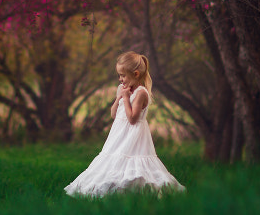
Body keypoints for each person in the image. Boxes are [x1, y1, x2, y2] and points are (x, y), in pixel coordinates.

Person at [64, 51, 185, 197]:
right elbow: (114, 114)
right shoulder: (123, 90)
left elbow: (133, 118)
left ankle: (139, 192)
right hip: (119, 134)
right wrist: (119, 98)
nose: (120, 79)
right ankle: (113, 191)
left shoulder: (141, 93)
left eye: (123, 75)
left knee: (132, 161)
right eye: (119, 75)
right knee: (113, 160)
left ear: (136, 74)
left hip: (133, 136)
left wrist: (126, 98)